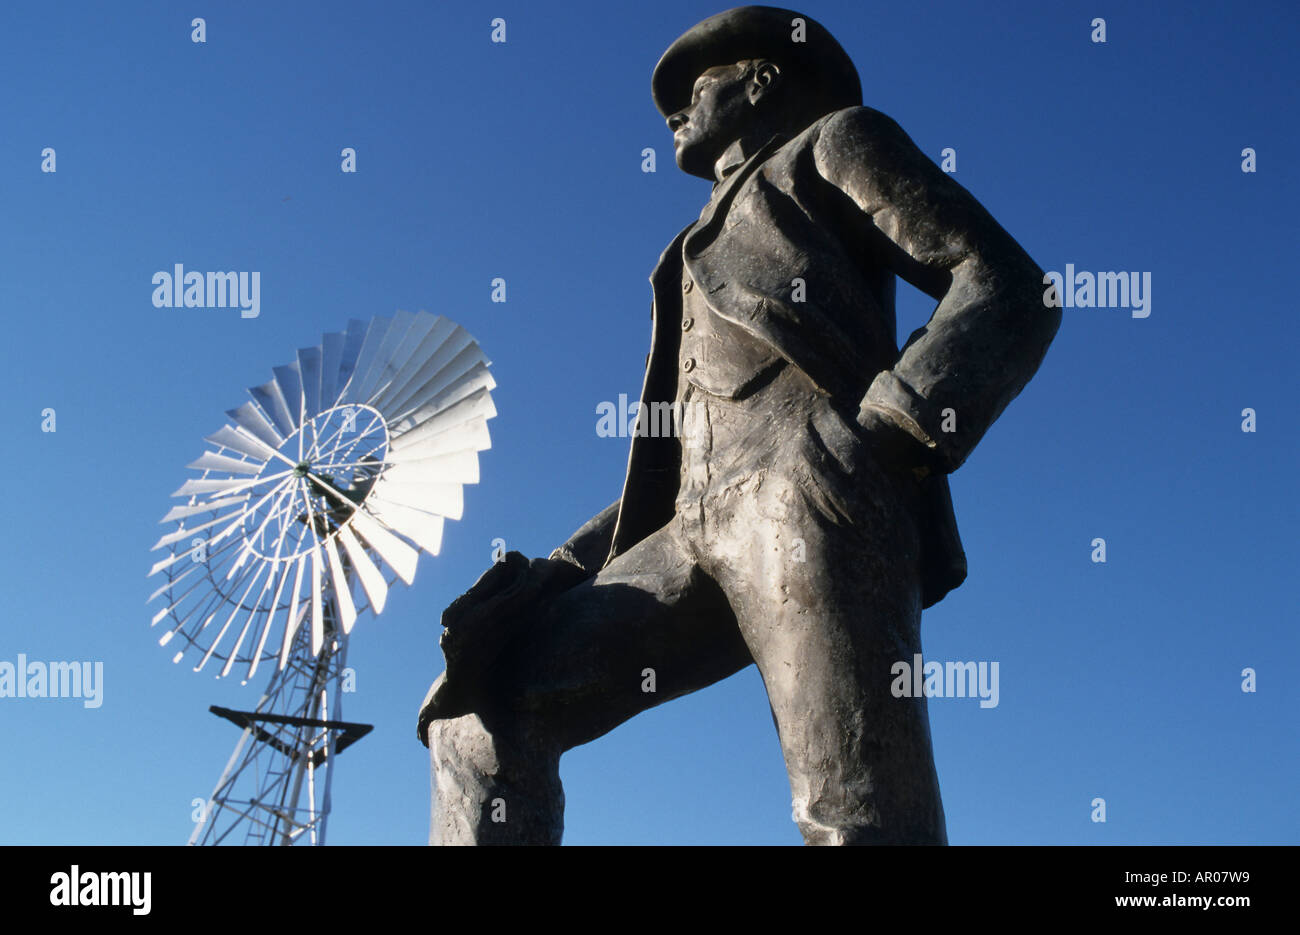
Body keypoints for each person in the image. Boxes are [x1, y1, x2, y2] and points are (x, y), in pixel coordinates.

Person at [418, 5, 1060, 845]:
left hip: (812, 490)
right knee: (479, 708)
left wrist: (883, 430)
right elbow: (680, 459)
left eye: (697, 85)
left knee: (853, 810)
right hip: (689, 527)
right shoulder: (683, 249)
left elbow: (1009, 284)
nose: (676, 109)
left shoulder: (836, 142)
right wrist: (563, 567)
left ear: (760, 80)